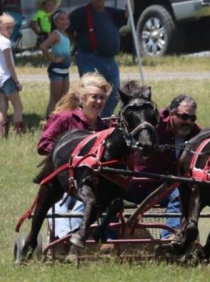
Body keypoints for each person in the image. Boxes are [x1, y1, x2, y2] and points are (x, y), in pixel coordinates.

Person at [37, 72, 111, 239]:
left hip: (91, 184)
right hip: (63, 179)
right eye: (94, 97)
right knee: (59, 205)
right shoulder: (65, 119)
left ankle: (76, 236)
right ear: (82, 98)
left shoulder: (105, 128)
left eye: (102, 97)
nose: (99, 102)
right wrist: (68, 158)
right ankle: (64, 238)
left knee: (85, 204)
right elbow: (43, 144)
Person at [130, 94, 201, 239]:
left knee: (180, 194)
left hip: (168, 188)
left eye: (192, 118)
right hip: (139, 183)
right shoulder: (153, 126)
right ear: (171, 113)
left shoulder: (196, 134)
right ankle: (107, 236)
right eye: (184, 117)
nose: (188, 122)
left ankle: (170, 237)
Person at [68, 0, 126, 118]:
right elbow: (67, 28)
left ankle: (103, 118)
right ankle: (87, 118)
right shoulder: (81, 13)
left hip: (110, 60)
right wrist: (75, 42)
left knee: (114, 92)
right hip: (90, 57)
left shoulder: (110, 12)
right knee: (91, 91)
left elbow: (127, 15)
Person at [0, 14, 24, 138]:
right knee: (18, 107)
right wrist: (16, 82)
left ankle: (2, 135)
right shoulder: (5, 42)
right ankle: (18, 134)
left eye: (12, 27)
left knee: (3, 108)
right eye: (7, 27)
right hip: (6, 77)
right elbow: (9, 65)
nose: (10, 30)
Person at [40, 9, 72, 117]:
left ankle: (59, 120)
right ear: (55, 22)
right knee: (54, 98)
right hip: (56, 70)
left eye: (66, 18)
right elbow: (43, 46)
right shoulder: (55, 34)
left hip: (65, 71)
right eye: (61, 19)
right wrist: (53, 59)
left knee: (63, 98)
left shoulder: (66, 34)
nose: (65, 21)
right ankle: (48, 122)